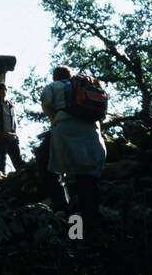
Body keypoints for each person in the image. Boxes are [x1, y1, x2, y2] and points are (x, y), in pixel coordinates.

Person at [41, 66, 106, 225]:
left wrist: (54, 119)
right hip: (92, 132)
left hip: (65, 130)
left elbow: (46, 103)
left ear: (55, 77)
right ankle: (92, 220)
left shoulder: (52, 86)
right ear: (71, 75)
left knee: (44, 159)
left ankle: (62, 205)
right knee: (88, 177)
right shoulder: (86, 85)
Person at [0, 81, 24, 173]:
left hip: (12, 137)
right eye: (1, 90)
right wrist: (2, 134)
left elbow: (14, 122)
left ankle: (23, 178)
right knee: (1, 161)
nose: (3, 92)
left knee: (18, 160)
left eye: (5, 90)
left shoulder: (11, 106)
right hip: (1, 137)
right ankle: (1, 180)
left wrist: (14, 134)